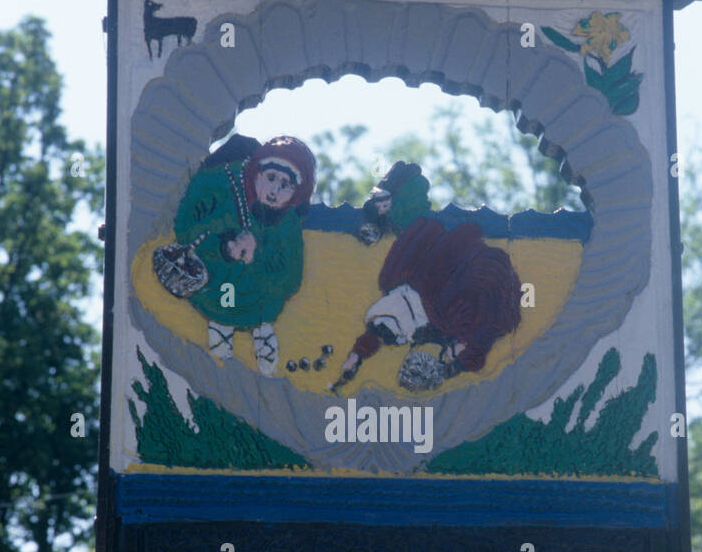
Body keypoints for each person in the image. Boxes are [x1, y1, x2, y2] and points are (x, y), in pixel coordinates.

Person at [338, 162, 521, 391]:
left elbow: (385, 328)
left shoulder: (448, 323)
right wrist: (357, 355)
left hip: (438, 281)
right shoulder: (463, 322)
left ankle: (396, 191)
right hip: (437, 279)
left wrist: (357, 356)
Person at [170, 133, 316, 373]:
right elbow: (186, 226)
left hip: (261, 304)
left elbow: (290, 278)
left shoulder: (288, 222)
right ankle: (221, 341)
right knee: (217, 363)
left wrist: (255, 257)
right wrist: (225, 244)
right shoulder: (222, 183)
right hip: (214, 292)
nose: (274, 190)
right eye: (271, 178)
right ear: (257, 172)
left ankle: (261, 336)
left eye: (285, 185)